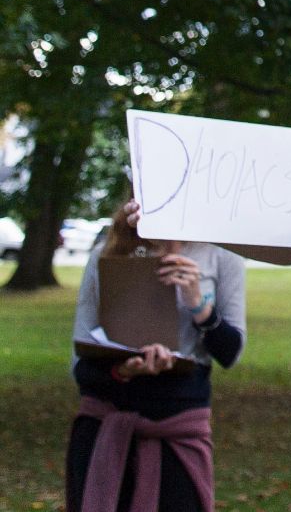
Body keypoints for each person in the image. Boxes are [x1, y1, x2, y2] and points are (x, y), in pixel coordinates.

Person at [66, 198, 247, 512]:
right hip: (105, 427)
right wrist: (124, 370)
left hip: (178, 429)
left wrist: (199, 306)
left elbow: (230, 353)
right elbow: (81, 365)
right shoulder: (107, 254)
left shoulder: (220, 256)